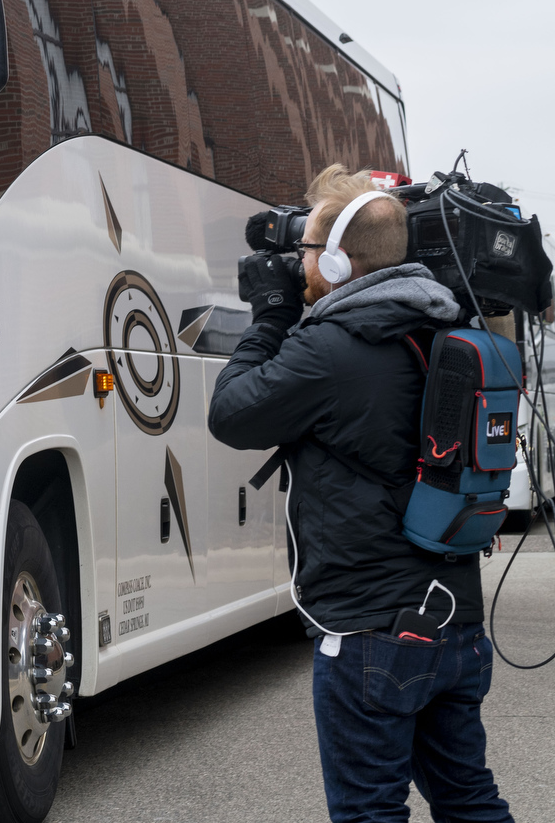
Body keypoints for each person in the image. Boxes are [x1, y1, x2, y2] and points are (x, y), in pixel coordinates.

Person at [211, 165, 512, 823]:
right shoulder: (446, 326)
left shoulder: (329, 348)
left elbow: (231, 415)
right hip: (455, 622)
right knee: (469, 801)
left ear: (338, 264)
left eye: (308, 250)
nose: (300, 263)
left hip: (372, 632)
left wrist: (270, 315)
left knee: (368, 813)